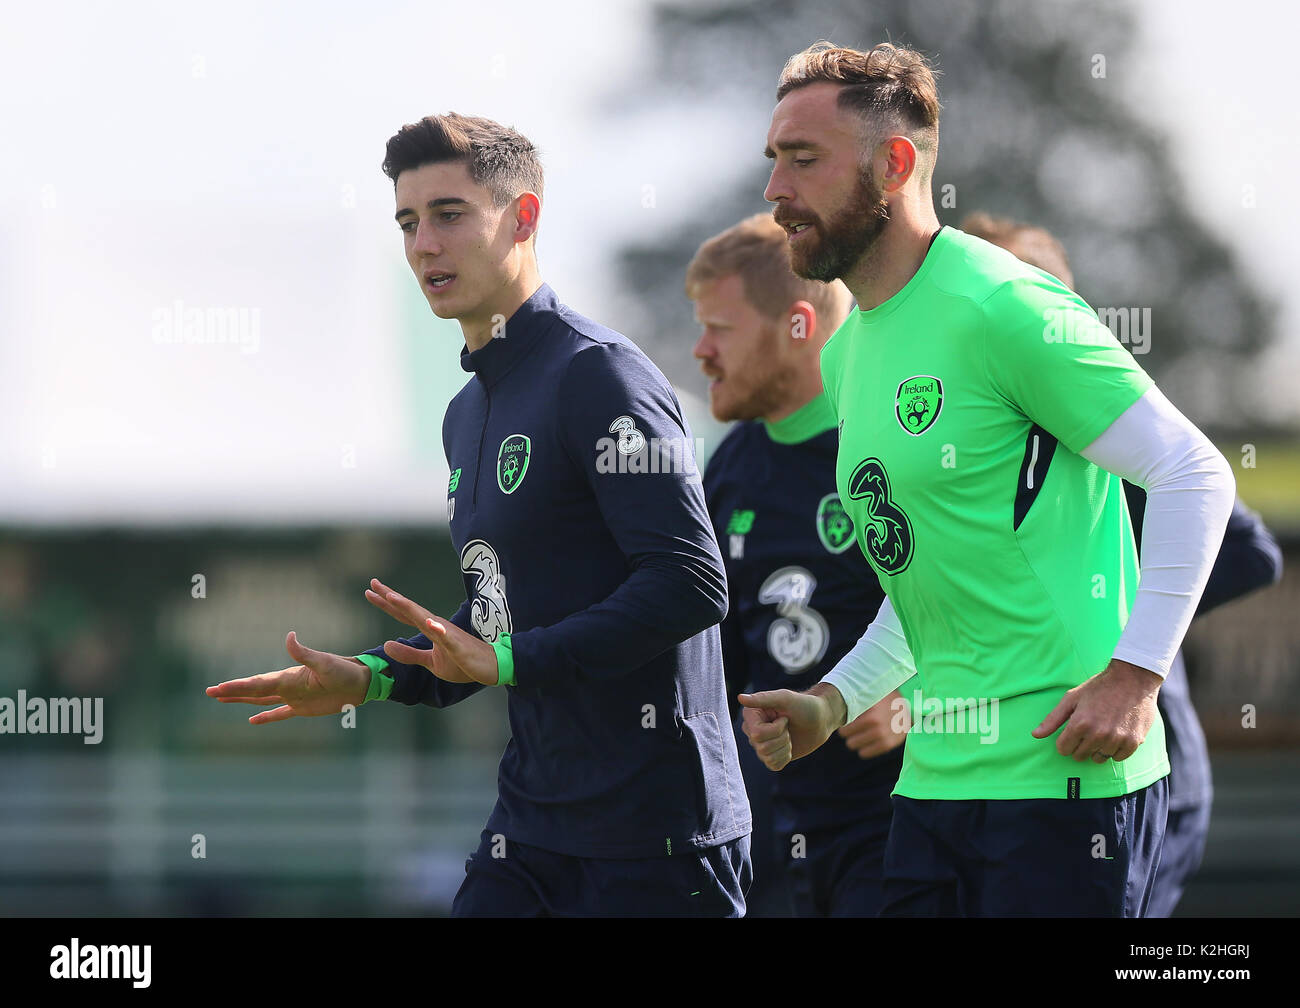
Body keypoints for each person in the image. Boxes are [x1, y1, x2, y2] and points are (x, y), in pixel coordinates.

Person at [207, 112, 751, 916]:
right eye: (407, 222)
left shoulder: (602, 376)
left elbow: (692, 582)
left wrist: (509, 662)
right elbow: (500, 617)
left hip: (656, 840)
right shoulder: (464, 412)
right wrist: (373, 677)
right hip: (530, 829)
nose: (424, 243)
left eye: (449, 214)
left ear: (523, 217)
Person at [739, 41, 1236, 917]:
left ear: (893, 164)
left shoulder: (1005, 307)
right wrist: (832, 701)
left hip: (1064, 780)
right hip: (932, 788)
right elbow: (927, 570)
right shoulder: (851, 349)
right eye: (774, 160)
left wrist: (1136, 675)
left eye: (803, 159)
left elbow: (1194, 473)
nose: (777, 190)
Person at [960, 210, 1285, 916]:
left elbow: (1253, 555)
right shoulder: (980, 445)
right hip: (1022, 766)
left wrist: (1124, 637)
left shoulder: (1115, 431)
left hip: (1139, 755)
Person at [690, 213, 910, 916]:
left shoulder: (895, 443)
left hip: (904, 831)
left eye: (719, 330)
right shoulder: (727, 470)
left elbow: (992, 605)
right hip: (769, 844)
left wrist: (922, 703)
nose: (700, 351)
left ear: (797, 326)